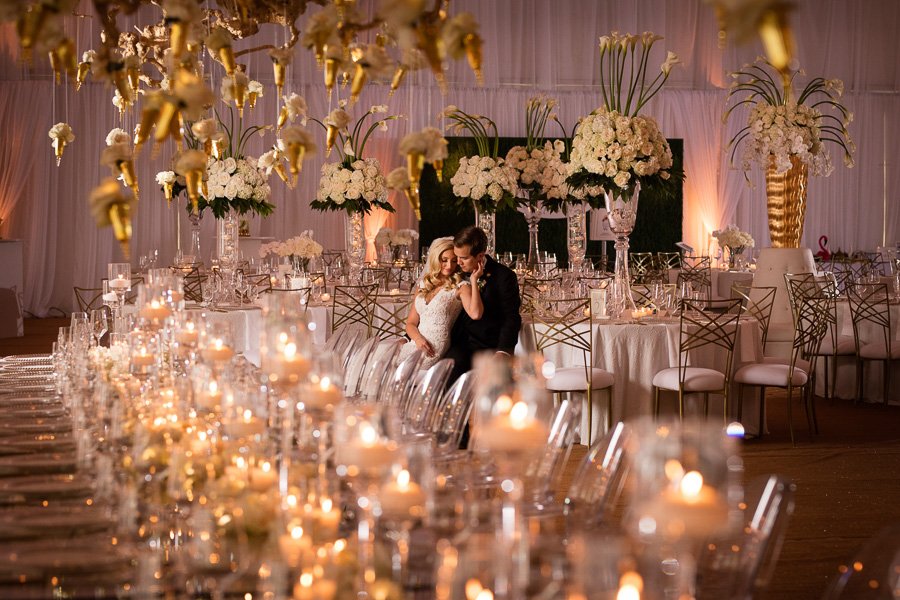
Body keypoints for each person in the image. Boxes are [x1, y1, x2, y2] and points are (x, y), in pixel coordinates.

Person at [444, 226, 522, 383]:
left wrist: (503, 351)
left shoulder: (504, 276)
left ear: (480, 256)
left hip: (489, 345)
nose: (457, 263)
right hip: (460, 343)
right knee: (449, 369)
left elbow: (511, 317)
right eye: (457, 256)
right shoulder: (454, 271)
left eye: (463, 258)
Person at [397, 236, 483, 370]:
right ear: (435, 259)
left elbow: (476, 314)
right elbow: (411, 323)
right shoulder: (423, 285)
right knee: (383, 360)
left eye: (454, 261)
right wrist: (418, 340)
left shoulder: (461, 286)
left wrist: (473, 280)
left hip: (434, 348)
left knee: (397, 368)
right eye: (444, 260)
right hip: (417, 342)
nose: (450, 266)